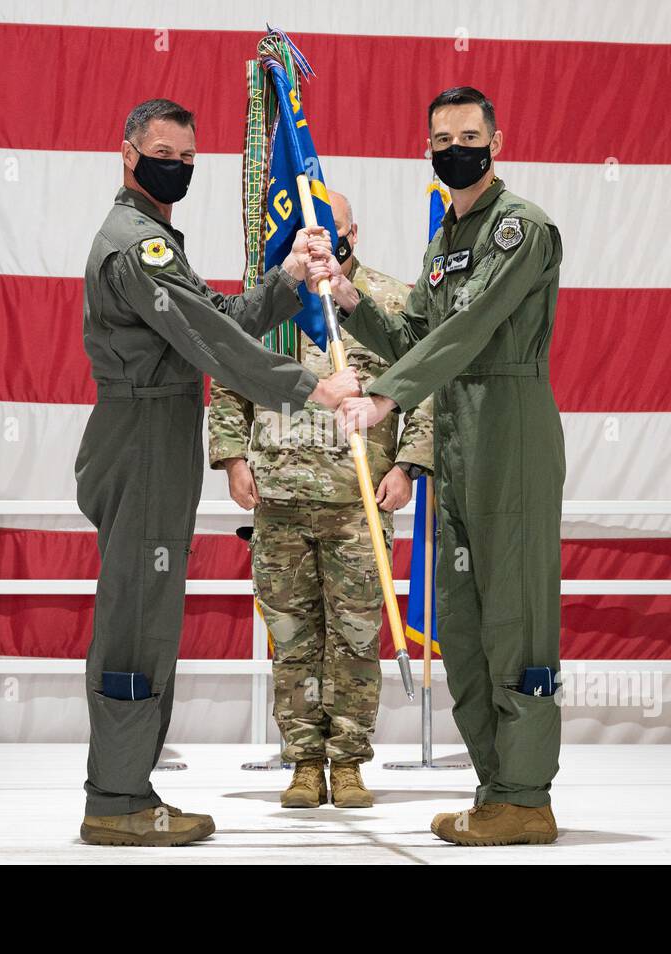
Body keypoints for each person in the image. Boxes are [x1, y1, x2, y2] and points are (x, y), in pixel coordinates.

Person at [74, 98, 359, 847]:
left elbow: (215, 319)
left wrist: (290, 278)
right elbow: (211, 341)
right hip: (141, 436)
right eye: (164, 152)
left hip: (154, 431)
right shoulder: (138, 246)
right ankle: (117, 797)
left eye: (190, 158)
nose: (177, 166)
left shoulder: (155, 239)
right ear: (129, 152)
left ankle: (126, 787)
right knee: (139, 617)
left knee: (149, 609)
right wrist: (308, 388)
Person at [321, 87, 566, 846]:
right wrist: (349, 295)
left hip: (510, 429)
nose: (454, 145)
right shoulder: (445, 242)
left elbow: (471, 327)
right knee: (462, 624)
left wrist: (388, 398)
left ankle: (527, 794)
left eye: (468, 134)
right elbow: (413, 333)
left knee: (514, 619)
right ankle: (496, 791)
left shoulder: (521, 229)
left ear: (497, 139)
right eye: (441, 136)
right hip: (458, 428)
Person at [209, 191, 434, 809]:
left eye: (328, 234)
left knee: (357, 642)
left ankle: (351, 762)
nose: (315, 246)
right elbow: (227, 380)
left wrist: (410, 466)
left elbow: (422, 383)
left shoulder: (385, 301)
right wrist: (232, 460)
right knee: (294, 640)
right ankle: (305, 762)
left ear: (351, 234)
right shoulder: (269, 305)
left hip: (357, 503)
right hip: (278, 502)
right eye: (304, 234)